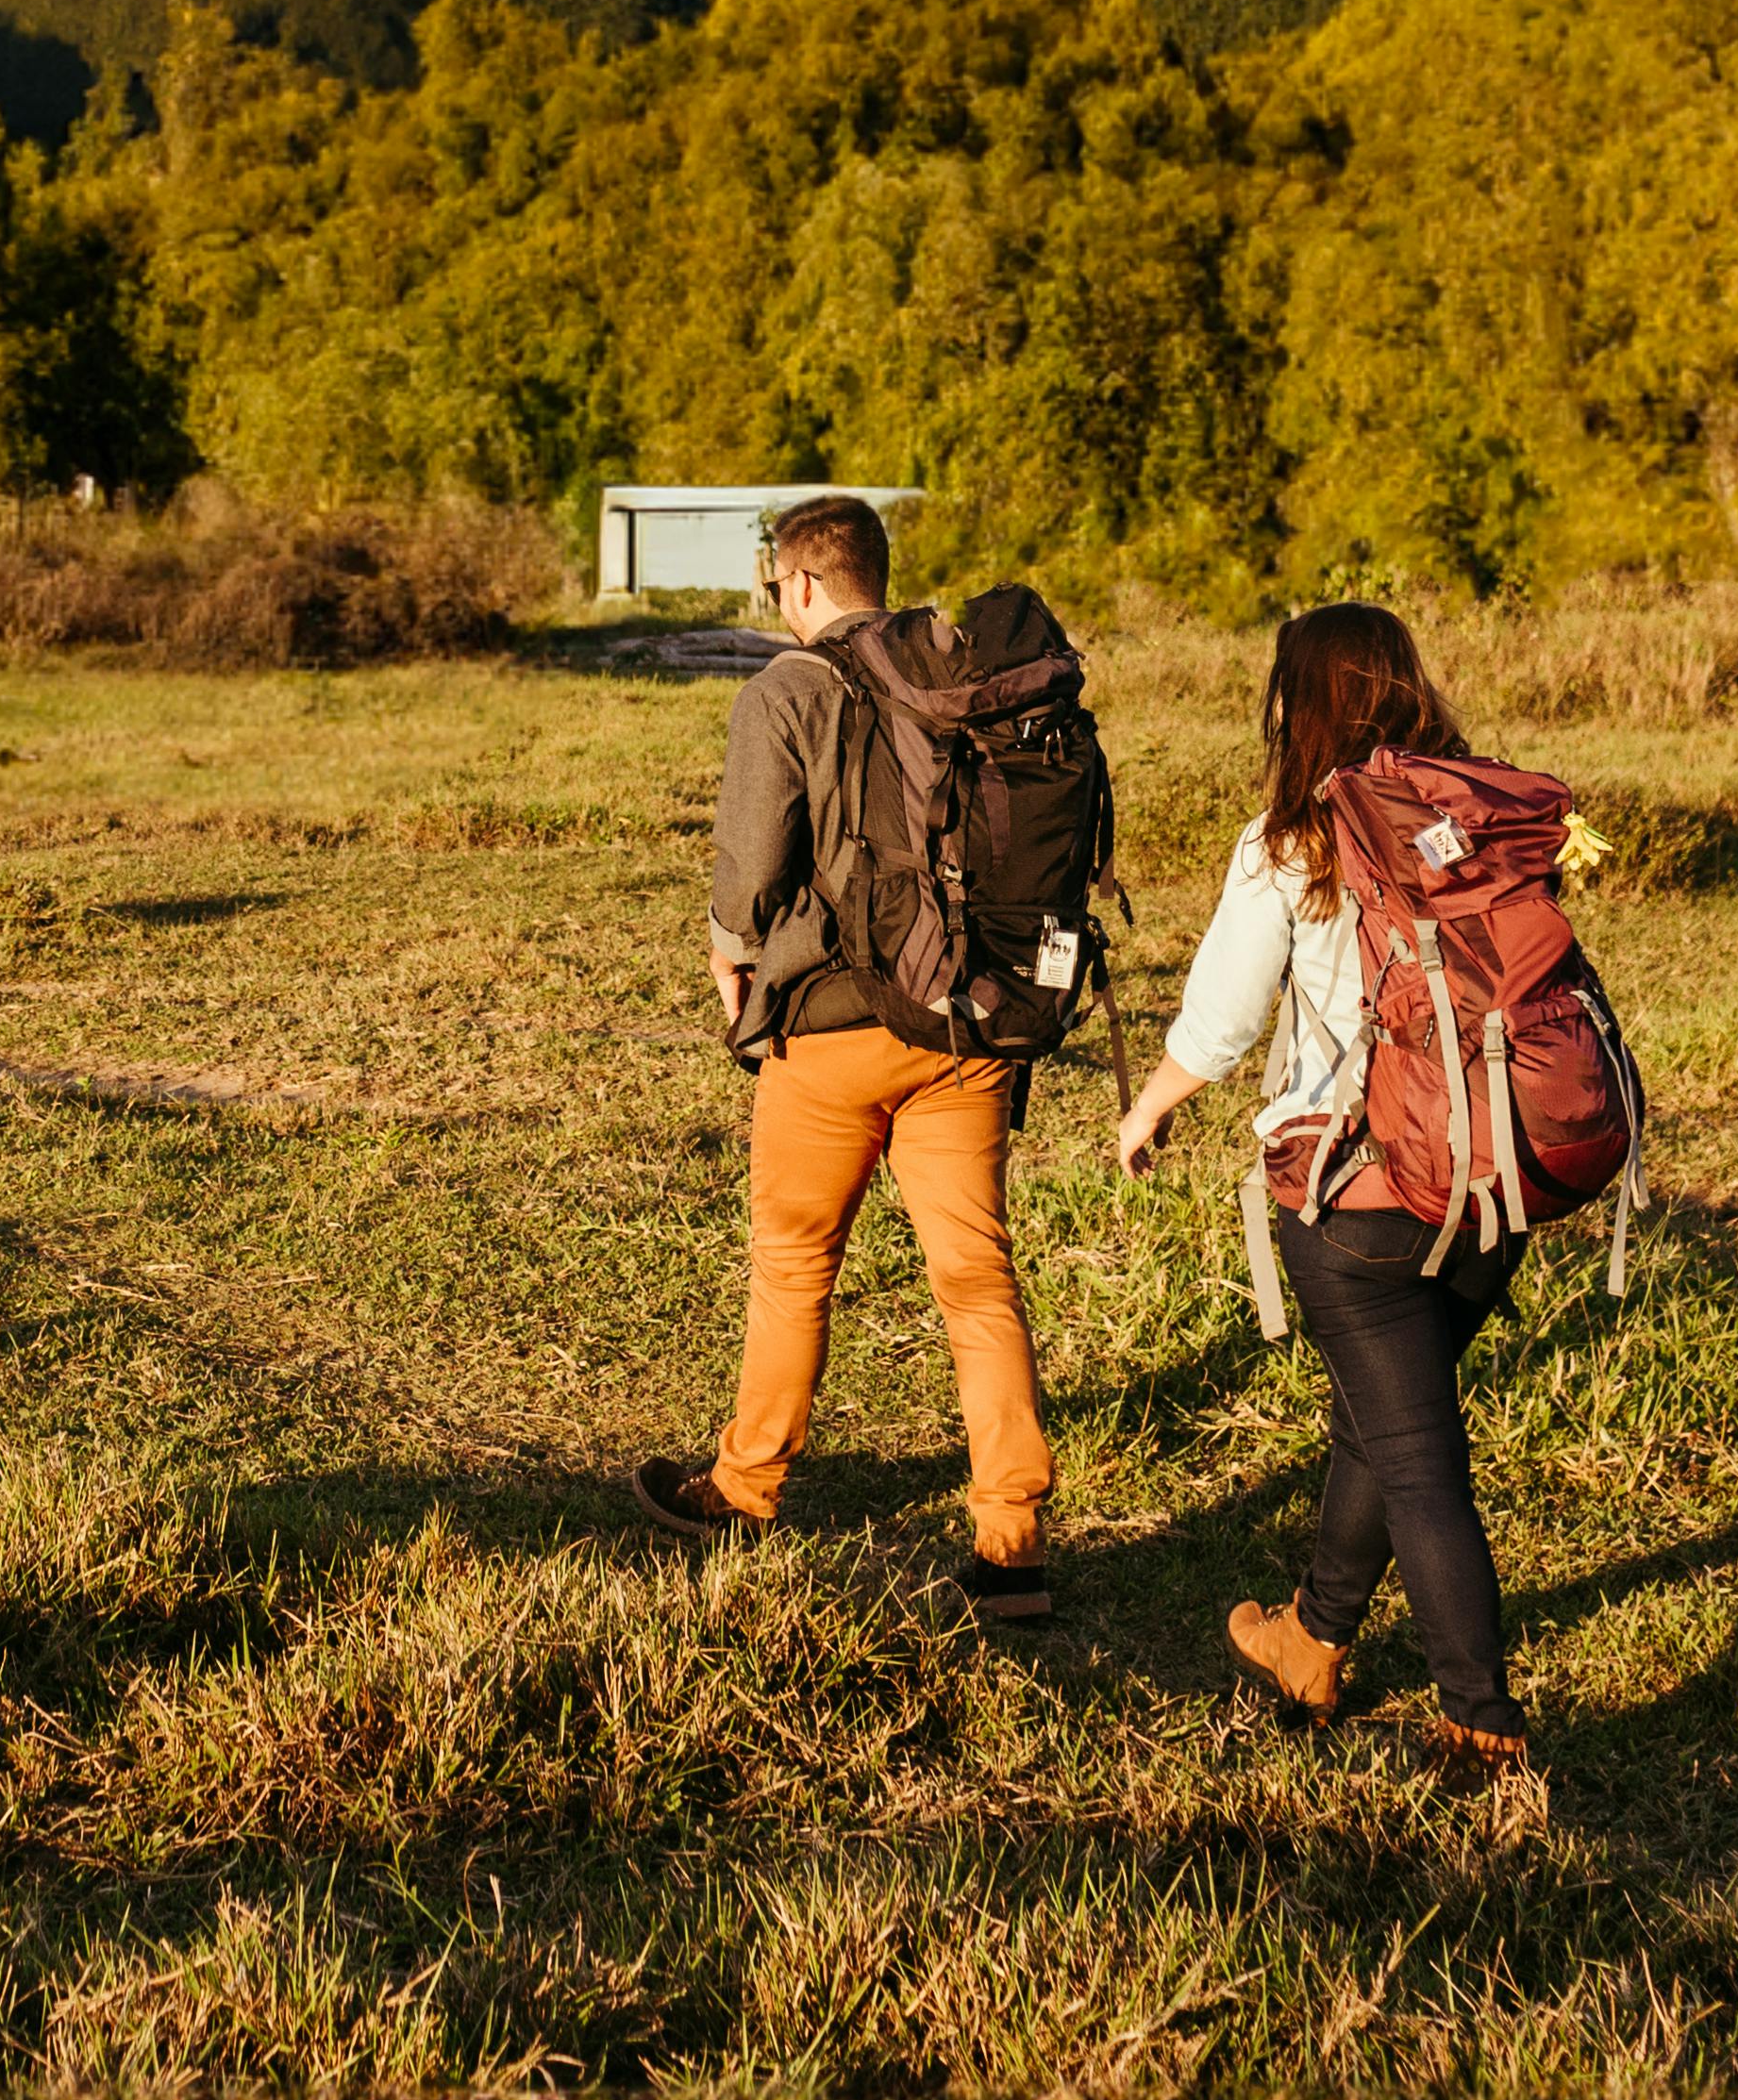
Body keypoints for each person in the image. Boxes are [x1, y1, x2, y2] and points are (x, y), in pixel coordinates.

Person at [1109, 601, 1538, 1796]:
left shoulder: (1292, 840)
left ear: (1297, 704)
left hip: (1363, 1197)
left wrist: (1148, 1109)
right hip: (1496, 1182)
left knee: (1415, 1459)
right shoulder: (1478, 812)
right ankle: (1310, 1640)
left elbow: (1223, 1016)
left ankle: (1481, 1722)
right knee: (1383, 1422)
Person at [627, 493, 1056, 1625]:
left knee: (793, 1258)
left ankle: (746, 1481)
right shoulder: (954, 673)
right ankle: (1012, 1540)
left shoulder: (788, 686)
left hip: (831, 1024)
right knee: (975, 1276)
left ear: (801, 583)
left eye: (775, 588)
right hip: (966, 1026)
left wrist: (729, 954)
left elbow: (751, 858)